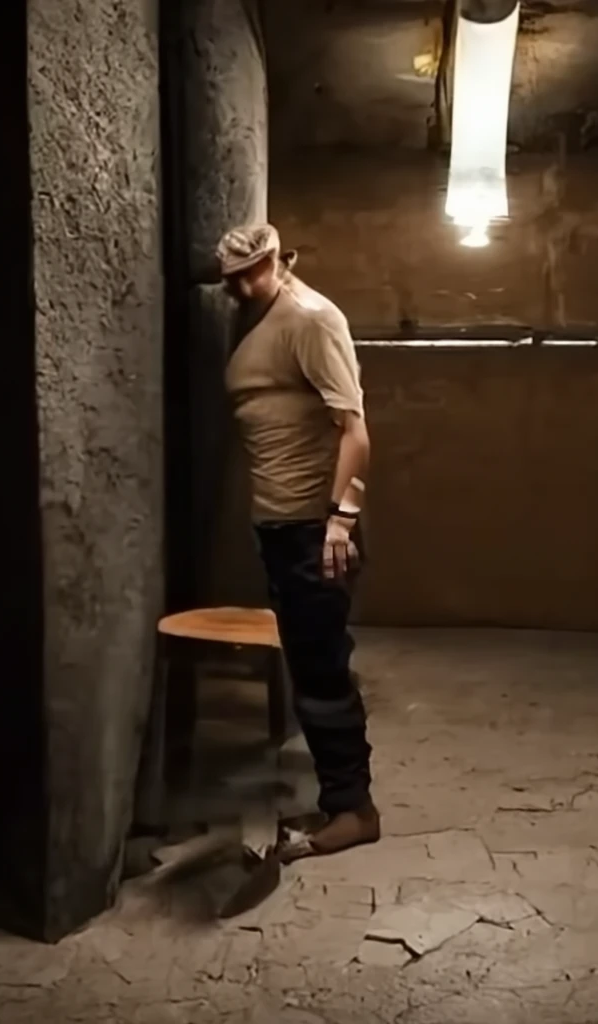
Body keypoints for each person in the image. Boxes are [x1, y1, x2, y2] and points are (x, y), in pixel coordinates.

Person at [217, 223, 379, 860]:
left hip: (314, 527)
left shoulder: (310, 318)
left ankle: (354, 810)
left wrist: (340, 521)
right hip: (280, 526)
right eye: (231, 275)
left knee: (323, 673)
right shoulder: (261, 319)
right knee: (310, 666)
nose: (241, 285)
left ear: (282, 260)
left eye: (254, 270)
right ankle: (342, 797)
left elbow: (357, 432)